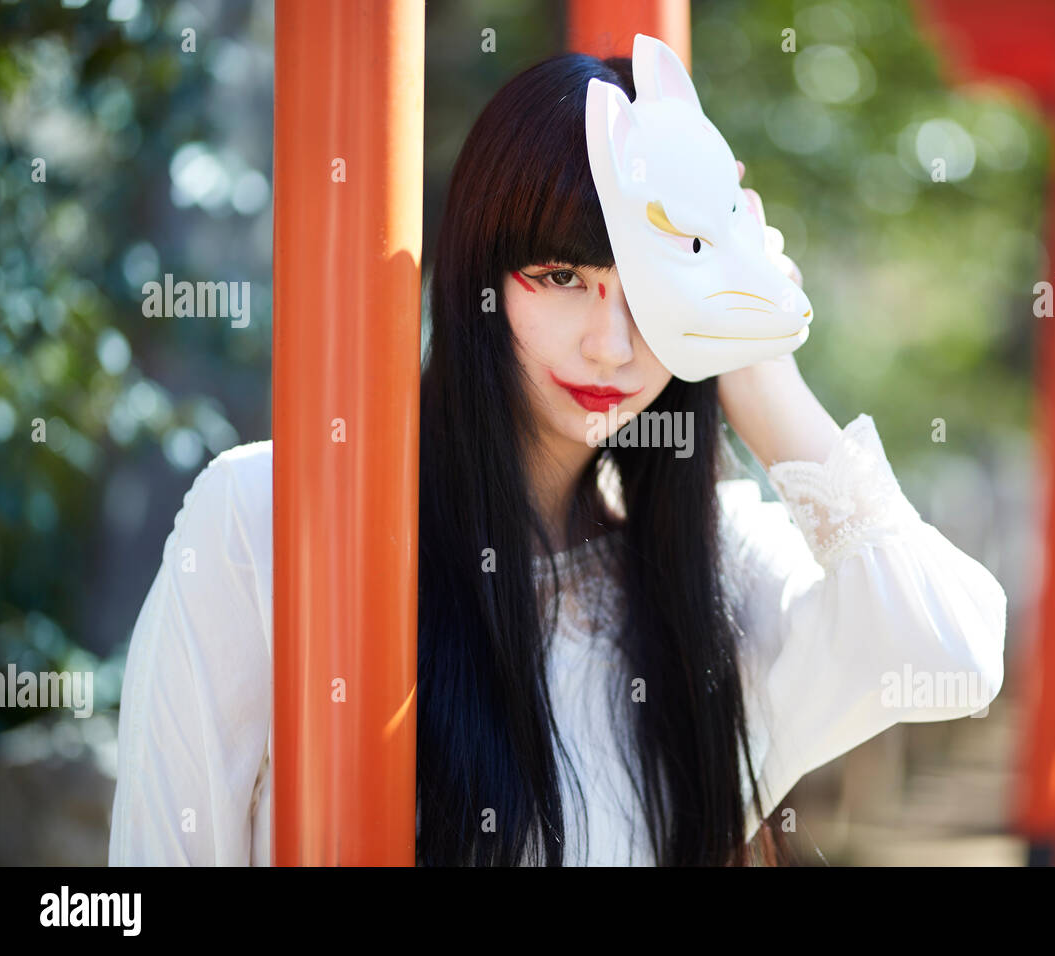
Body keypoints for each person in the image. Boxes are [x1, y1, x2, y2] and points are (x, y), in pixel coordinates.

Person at [108, 51, 1006, 867]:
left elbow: (951, 653)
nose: (611, 345)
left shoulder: (716, 569)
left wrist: (763, 371)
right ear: (483, 282)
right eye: (562, 278)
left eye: (650, 289)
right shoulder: (267, 515)